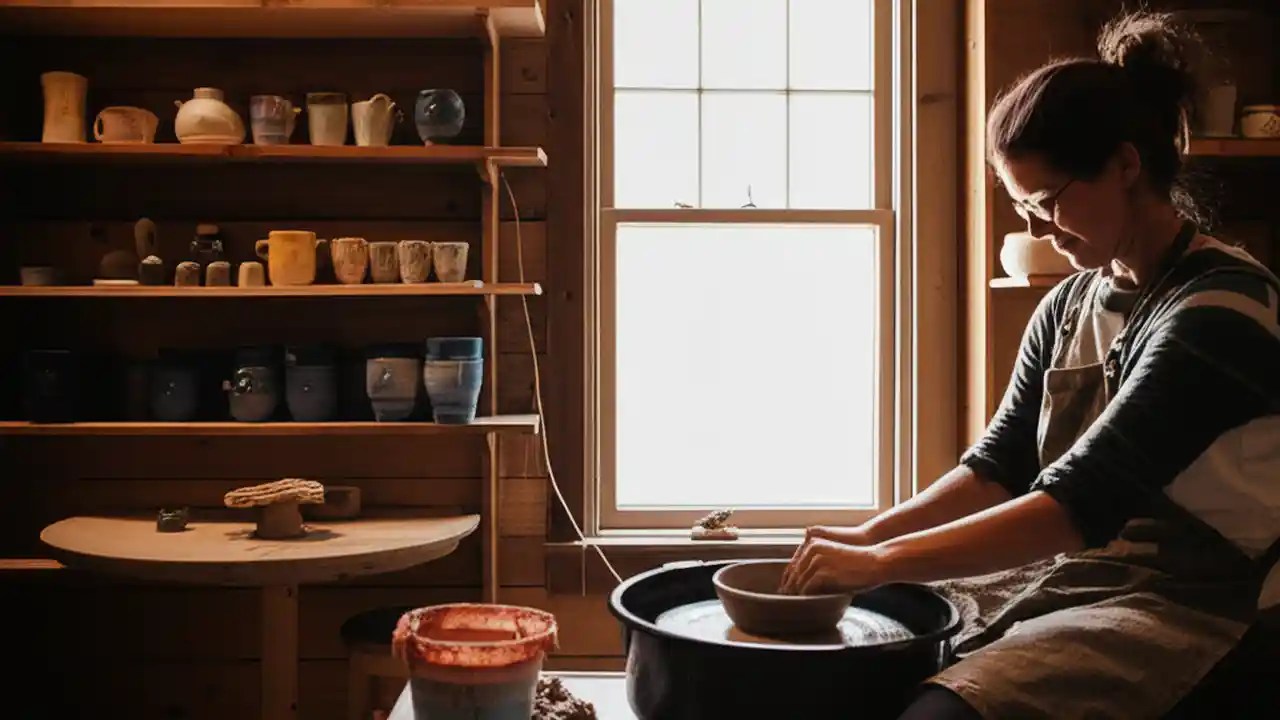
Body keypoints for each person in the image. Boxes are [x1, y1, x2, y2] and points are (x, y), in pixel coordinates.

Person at [780, 11, 1280, 719]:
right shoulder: (1072, 302)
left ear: (1126, 165)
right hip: (1089, 571)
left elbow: (1081, 503)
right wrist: (868, 536)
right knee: (871, 649)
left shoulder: (1222, 312)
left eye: (1045, 203)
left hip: (1202, 604)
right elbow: (999, 464)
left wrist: (880, 561)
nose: (1034, 231)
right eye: (1019, 207)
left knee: (940, 710)